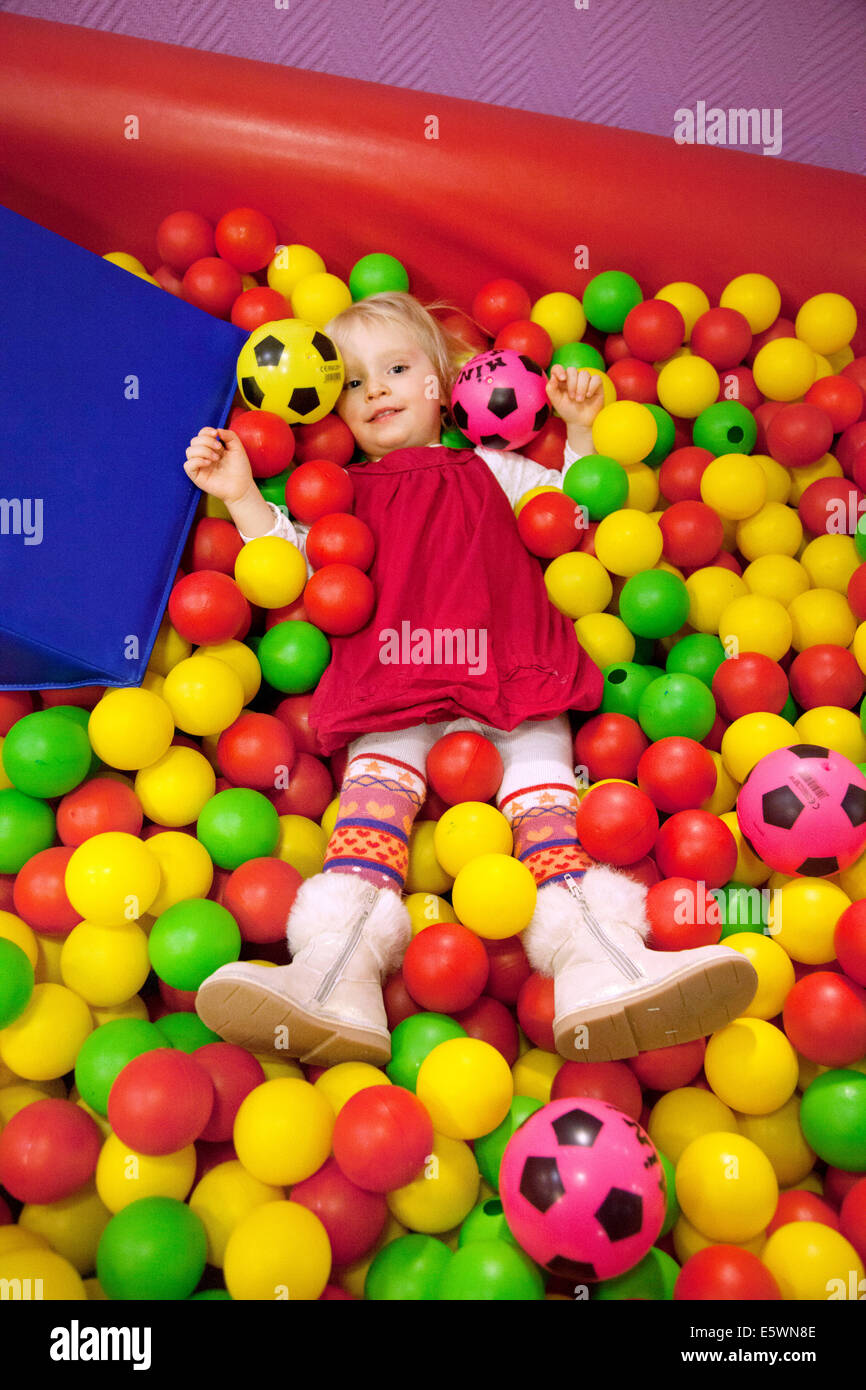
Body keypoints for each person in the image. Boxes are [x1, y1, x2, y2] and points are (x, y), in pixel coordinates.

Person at [186, 292, 757, 1067]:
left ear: (442, 383)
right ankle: (336, 973)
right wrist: (243, 495)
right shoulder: (341, 490)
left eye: (395, 369)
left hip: (512, 670)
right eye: (353, 383)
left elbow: (573, 512)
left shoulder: (493, 466)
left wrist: (582, 429)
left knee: (547, 812)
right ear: (330, 406)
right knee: (370, 811)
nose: (377, 390)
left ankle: (603, 962)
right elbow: (292, 559)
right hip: (396, 678)